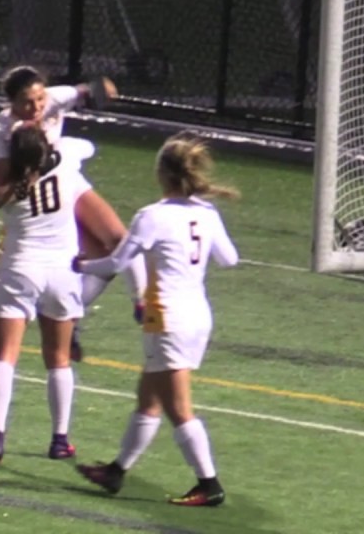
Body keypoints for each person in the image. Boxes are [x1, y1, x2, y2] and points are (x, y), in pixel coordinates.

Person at [73, 132, 239, 507]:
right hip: (197, 315)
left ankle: (209, 484)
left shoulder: (152, 216)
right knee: (148, 399)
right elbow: (230, 259)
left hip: (167, 318)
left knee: (178, 409)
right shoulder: (207, 213)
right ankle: (115, 471)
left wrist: (79, 264)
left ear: (162, 174)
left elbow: (116, 263)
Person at [0, 65, 147, 360]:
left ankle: (139, 304)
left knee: (115, 246)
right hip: (38, 194)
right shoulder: (7, 129)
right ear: (12, 103)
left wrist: (101, 88)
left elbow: (89, 90)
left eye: (39, 99)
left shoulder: (54, 98)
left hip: (65, 178)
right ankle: (126, 309)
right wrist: (27, 176)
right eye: (26, 102)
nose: (35, 107)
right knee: (102, 254)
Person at [0, 126, 98, 465]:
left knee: (4, 357)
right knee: (58, 359)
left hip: (18, 269)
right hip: (62, 273)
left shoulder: (0, 177)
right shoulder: (67, 160)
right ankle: (60, 439)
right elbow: (89, 145)